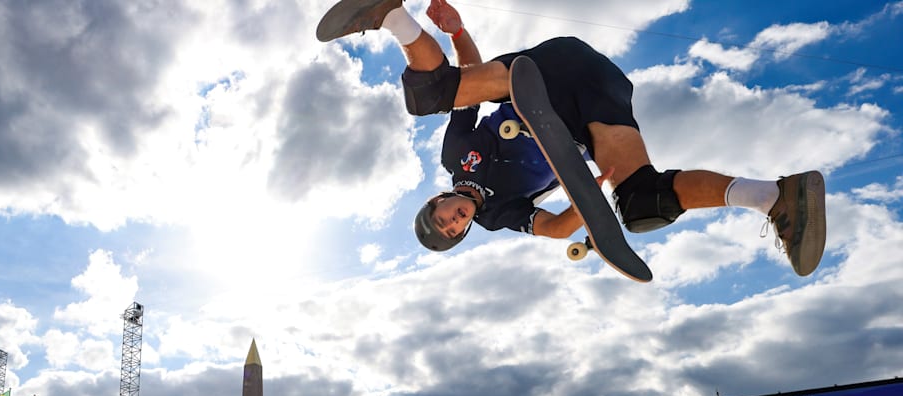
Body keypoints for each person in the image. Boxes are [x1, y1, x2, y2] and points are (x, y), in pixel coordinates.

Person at [318, 0, 826, 277]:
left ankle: (388, 14)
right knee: (643, 202)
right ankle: (774, 197)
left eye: (444, 216)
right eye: (456, 230)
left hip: (547, 70)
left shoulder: (457, 157)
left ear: (438, 198)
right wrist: (592, 191)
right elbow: (560, 229)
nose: (457, 219)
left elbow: (469, 79)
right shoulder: (498, 217)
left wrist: (456, 30)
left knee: (436, 94)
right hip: (596, 108)